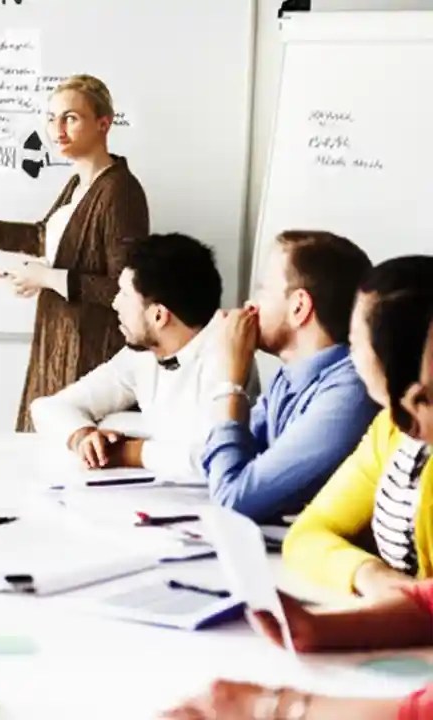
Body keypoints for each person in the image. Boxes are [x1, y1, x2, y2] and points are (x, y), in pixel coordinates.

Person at [160, 285, 433, 720]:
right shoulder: (388, 425)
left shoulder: (344, 393)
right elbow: (309, 530)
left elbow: (236, 494)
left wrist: (277, 708)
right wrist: (320, 625)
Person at [0, 74, 149, 432]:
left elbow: (125, 290)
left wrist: (46, 277)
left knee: (75, 444)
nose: (57, 129)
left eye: (70, 118)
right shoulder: (79, 184)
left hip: (92, 348)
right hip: (59, 336)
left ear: (103, 123)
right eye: (51, 118)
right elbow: (42, 236)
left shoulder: (119, 192)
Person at [30, 233, 253, 478]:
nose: (115, 304)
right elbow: (48, 407)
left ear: (158, 316)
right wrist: (83, 436)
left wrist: (130, 453)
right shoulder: (142, 356)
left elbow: (212, 458)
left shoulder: (226, 355)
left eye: (124, 294)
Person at [281, 257, 433, 599]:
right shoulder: (390, 432)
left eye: (354, 343)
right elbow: (308, 532)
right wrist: (370, 575)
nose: (352, 358)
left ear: (391, 352)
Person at [201, 231, 376, 522]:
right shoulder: (290, 377)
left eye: (262, 290)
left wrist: (229, 381)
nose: (249, 304)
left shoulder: (349, 391)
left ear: (299, 307)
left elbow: (234, 499)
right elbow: (222, 461)